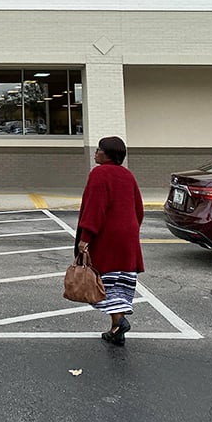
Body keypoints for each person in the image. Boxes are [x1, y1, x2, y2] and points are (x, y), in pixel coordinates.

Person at [76, 136, 144, 346]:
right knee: (121, 281)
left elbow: (95, 208)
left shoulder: (99, 173)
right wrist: (131, 230)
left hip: (107, 236)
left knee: (101, 282)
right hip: (128, 235)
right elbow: (138, 209)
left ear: (108, 154)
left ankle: (119, 322)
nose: (95, 152)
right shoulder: (127, 175)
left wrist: (85, 237)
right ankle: (117, 329)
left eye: (99, 150)